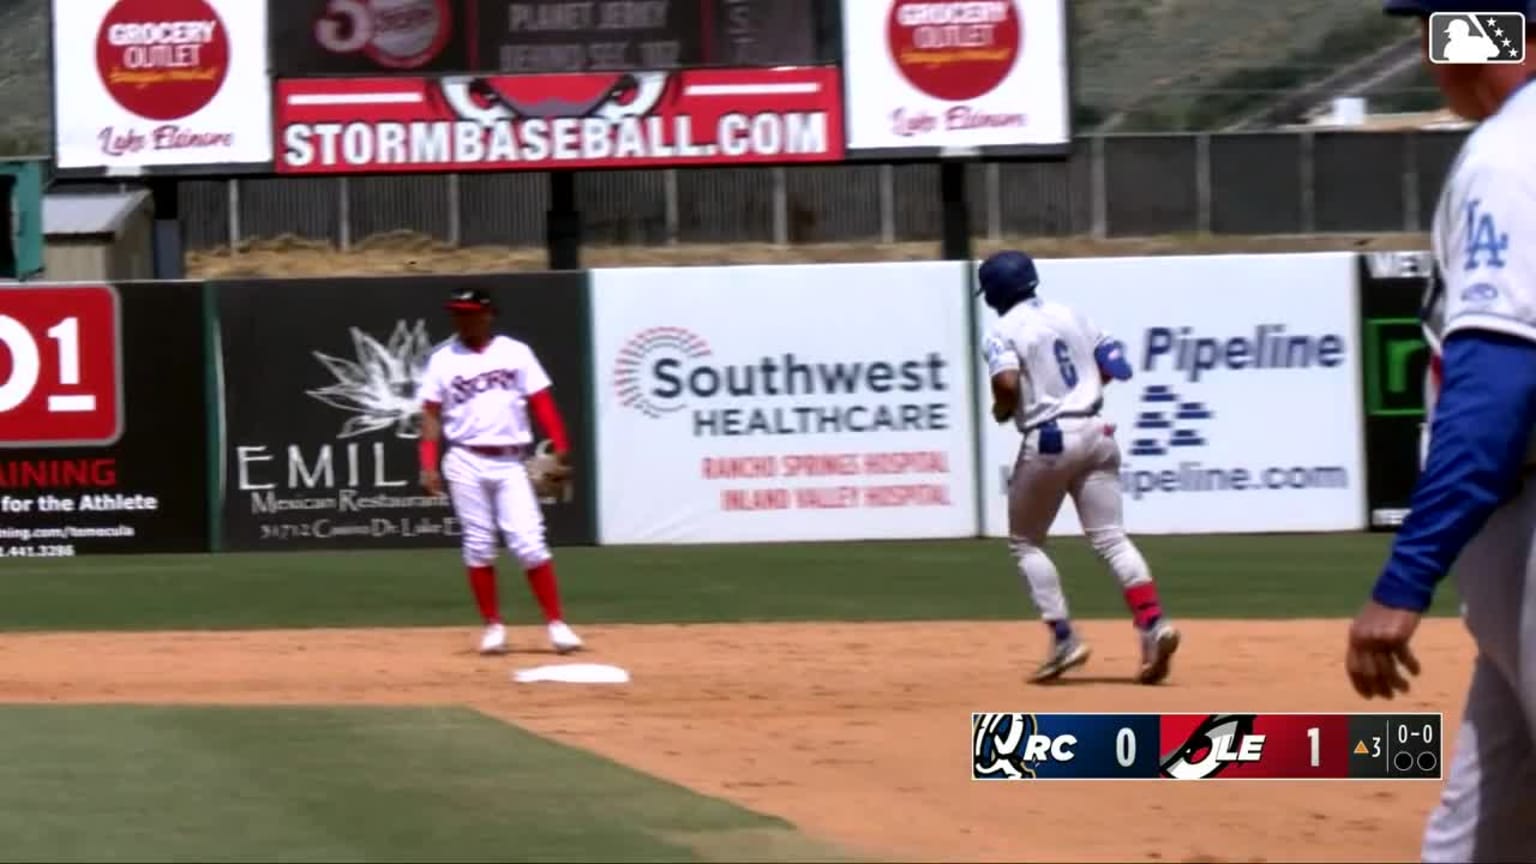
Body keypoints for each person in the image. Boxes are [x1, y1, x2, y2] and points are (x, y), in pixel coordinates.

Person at [1348, 2, 1536, 861]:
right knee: (1479, 830)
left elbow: (1496, 387)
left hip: (1526, 529)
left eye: (1445, 30)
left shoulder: (1508, 155)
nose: (1432, 55)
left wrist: (1405, 579)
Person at [978, 250, 1179, 685]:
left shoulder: (1002, 330)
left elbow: (1007, 382)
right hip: (1098, 430)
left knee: (1026, 542)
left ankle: (1065, 637)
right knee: (1111, 538)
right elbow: (1116, 365)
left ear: (993, 293)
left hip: (1050, 438)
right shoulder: (1071, 313)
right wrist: (1084, 387)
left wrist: (1002, 407)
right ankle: (1153, 623)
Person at [417, 287, 583, 656]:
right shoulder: (442, 360)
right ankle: (493, 626)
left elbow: (541, 401)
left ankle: (557, 624)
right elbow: (430, 413)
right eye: (457, 313)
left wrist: (561, 445)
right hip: (464, 458)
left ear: (487, 314)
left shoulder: (515, 352)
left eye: (469, 312)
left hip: (510, 460)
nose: (462, 318)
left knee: (529, 540)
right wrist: (427, 462)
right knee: (479, 544)